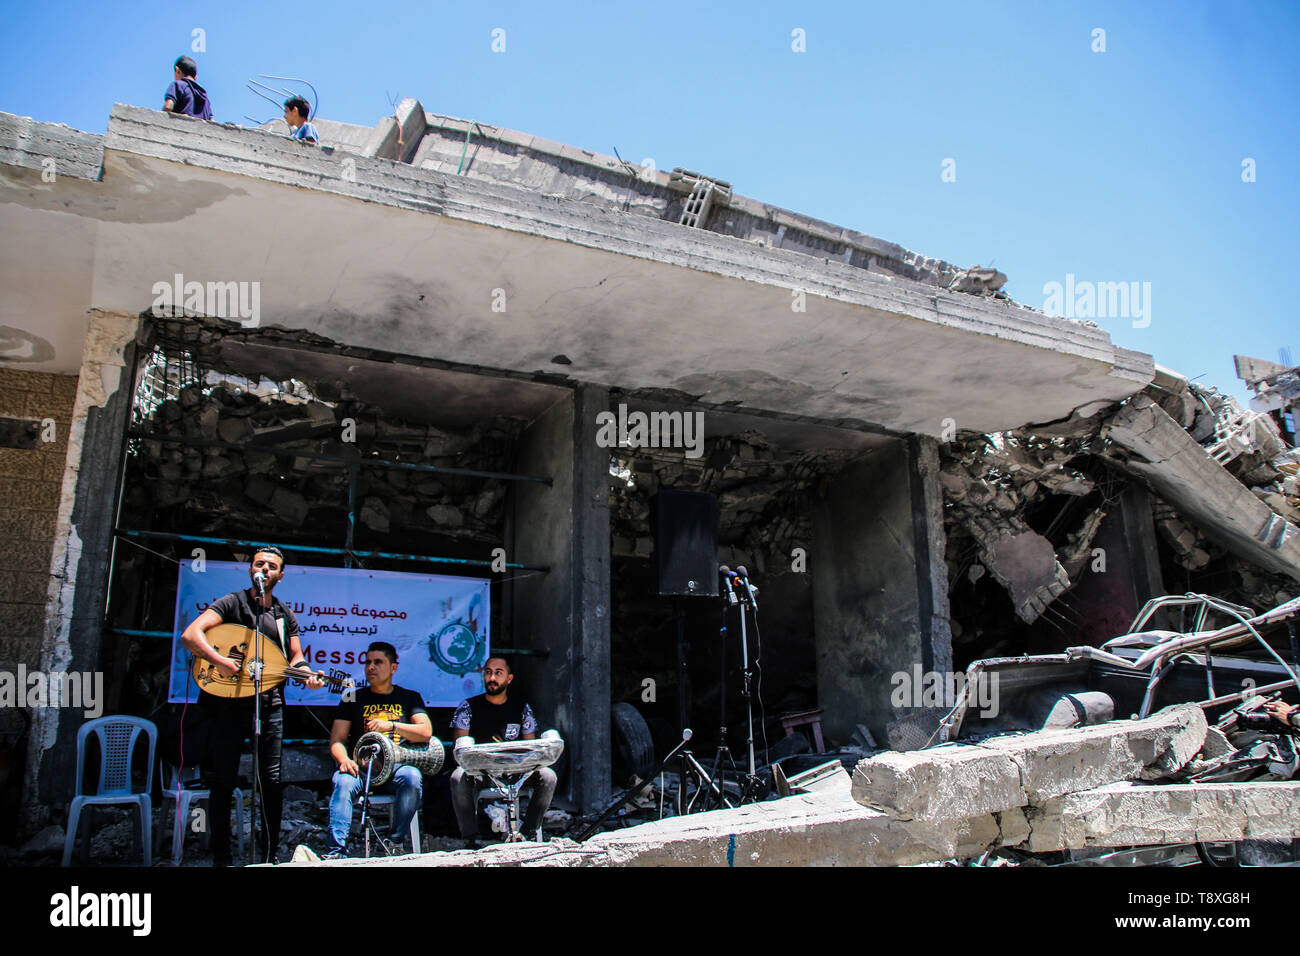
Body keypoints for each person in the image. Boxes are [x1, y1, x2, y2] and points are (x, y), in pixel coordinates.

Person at [181, 546, 323, 865]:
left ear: (281, 575)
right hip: (227, 705)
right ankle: (222, 857)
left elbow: (295, 659)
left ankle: (270, 855)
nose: (264, 569)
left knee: (271, 781)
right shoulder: (232, 602)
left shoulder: (285, 616)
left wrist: (308, 675)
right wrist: (221, 661)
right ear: (250, 570)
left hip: (269, 704)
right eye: (259, 564)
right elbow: (191, 635)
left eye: (271, 566)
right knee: (223, 779)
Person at [325, 642, 432, 858]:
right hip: (361, 770)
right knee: (342, 781)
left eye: (378, 662)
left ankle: (393, 843)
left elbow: (426, 731)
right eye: (367, 663)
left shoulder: (409, 697)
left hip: (395, 769)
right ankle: (336, 853)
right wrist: (344, 760)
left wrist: (393, 726)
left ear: (393, 668)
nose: (371, 667)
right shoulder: (352, 697)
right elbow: (337, 740)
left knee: (412, 776)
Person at [449, 656, 557, 845]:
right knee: (458, 777)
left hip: (517, 771)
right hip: (481, 773)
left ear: (509, 679)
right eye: (488, 672)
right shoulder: (468, 707)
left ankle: (528, 833)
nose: (492, 678)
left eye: (498, 673)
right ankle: (471, 839)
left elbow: (531, 749)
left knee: (548, 776)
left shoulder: (522, 708)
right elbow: (460, 749)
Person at [163, 55, 213, 120]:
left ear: (177, 70)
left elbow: (168, 107)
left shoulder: (178, 85)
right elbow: (211, 120)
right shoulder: (205, 96)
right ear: (195, 77)